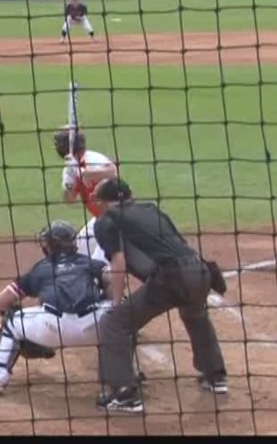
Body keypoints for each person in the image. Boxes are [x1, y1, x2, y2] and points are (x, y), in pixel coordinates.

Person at [89, 177, 229, 413]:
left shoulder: (106, 221)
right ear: (130, 194)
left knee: (116, 322)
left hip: (172, 277)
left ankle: (125, 394)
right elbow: (177, 244)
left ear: (102, 202)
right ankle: (215, 377)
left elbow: (119, 260)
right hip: (200, 271)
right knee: (195, 314)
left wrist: (116, 300)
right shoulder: (151, 209)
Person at [0, 221, 114, 393]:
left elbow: (2, 302)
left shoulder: (40, 269)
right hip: (95, 329)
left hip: (52, 329)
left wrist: (25, 333)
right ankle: (121, 378)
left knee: (10, 322)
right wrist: (106, 299)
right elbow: (114, 280)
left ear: (48, 246)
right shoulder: (92, 264)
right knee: (122, 313)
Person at [53, 127, 118, 262]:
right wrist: (71, 182)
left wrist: (83, 173)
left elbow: (113, 171)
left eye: (58, 143)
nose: (56, 147)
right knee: (77, 253)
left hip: (116, 220)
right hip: (99, 219)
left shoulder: (92, 158)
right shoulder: (69, 167)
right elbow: (69, 200)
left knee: (100, 264)